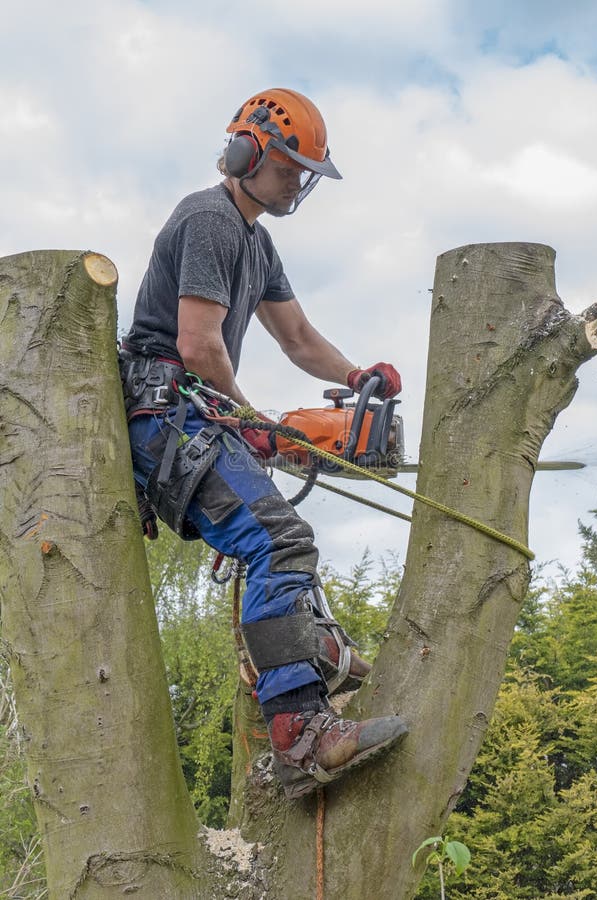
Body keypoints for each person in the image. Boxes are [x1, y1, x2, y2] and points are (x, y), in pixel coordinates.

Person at [119, 88, 407, 799]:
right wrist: (254, 422)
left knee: (281, 537)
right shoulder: (210, 218)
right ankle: (298, 733)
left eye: (305, 172)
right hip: (169, 415)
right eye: (287, 167)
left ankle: (317, 655)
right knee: (278, 540)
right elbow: (197, 343)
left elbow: (299, 338)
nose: (297, 183)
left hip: (195, 413)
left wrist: (357, 373)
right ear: (247, 152)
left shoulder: (256, 238)